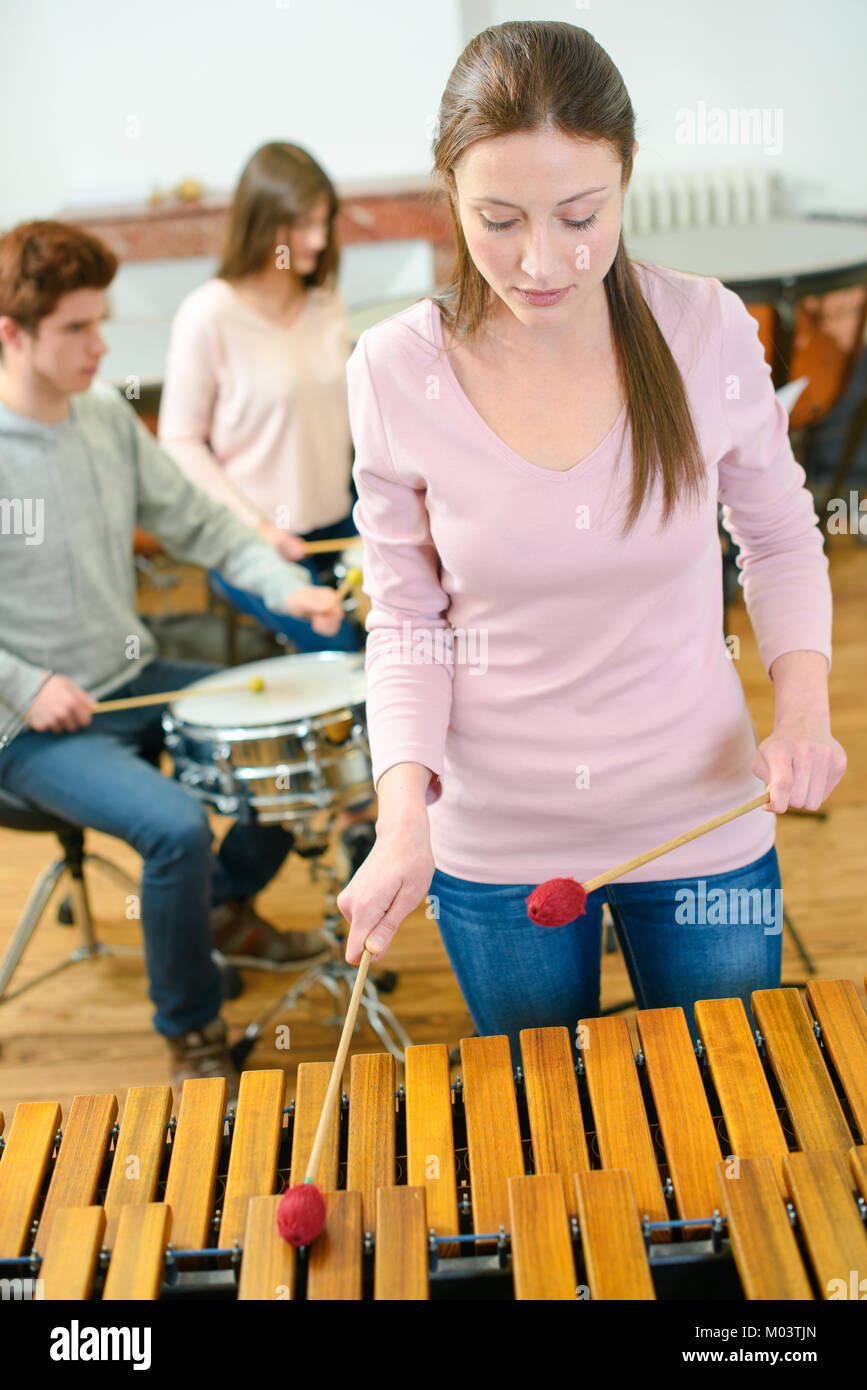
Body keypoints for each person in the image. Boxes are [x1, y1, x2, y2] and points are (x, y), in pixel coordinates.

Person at [334, 21, 847, 1068]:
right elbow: (406, 618)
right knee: (549, 1135)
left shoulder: (705, 328)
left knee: (729, 1109)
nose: (542, 262)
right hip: (497, 844)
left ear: (627, 178)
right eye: (499, 219)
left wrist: (803, 712)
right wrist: (400, 815)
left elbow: (784, 538)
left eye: (580, 216)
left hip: (700, 814)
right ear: (450, 191)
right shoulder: (393, 370)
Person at [0, 220, 348, 1100]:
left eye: (99, 321)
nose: (100, 344)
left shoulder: (102, 417)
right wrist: (23, 684)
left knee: (306, 724)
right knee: (174, 827)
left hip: (129, 678)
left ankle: (223, 907)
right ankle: (191, 1030)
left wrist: (285, 585)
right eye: (76, 329)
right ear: (12, 334)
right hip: (26, 722)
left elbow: (200, 522)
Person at [157, 141, 361, 656]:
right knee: (338, 644)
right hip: (252, 539)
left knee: (407, 625)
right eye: (301, 225)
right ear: (261, 224)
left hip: (337, 519)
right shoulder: (208, 314)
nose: (317, 239)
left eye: (324, 222)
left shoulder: (326, 300)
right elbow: (179, 441)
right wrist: (259, 529)